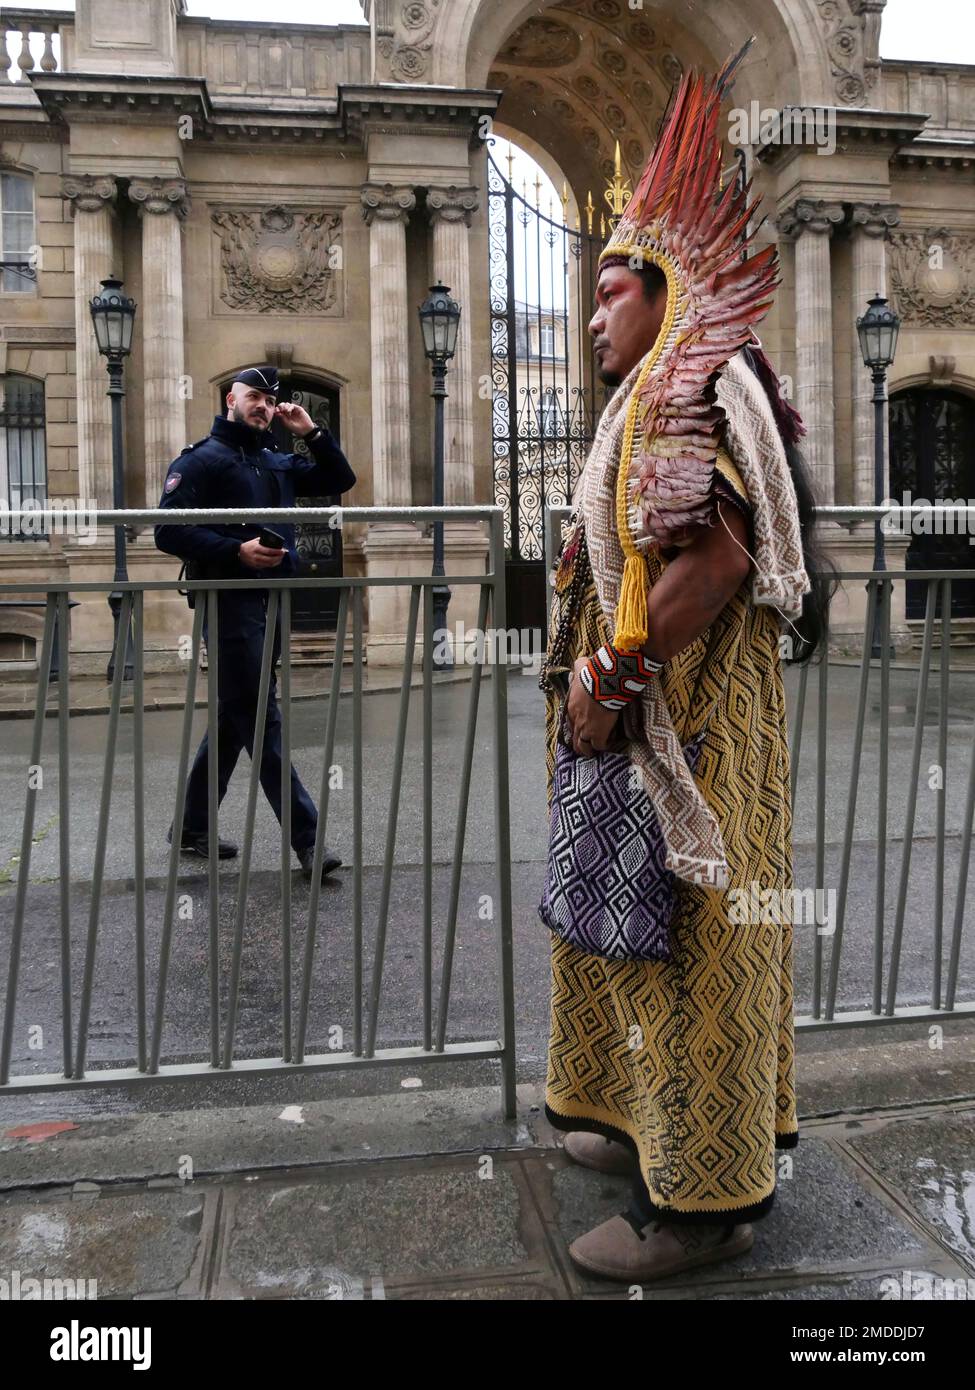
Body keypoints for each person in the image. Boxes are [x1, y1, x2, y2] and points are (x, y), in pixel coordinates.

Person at [538, 45, 833, 1282]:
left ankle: (704, 1211)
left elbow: (709, 566)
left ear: (664, 292)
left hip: (688, 729)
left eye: (614, 293)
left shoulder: (685, 393)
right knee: (656, 939)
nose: (596, 313)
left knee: (694, 949)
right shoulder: (686, 383)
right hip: (715, 725)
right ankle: (642, 1129)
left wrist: (603, 687)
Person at [155, 365, 356, 880]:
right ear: (230, 399)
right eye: (254, 397)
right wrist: (233, 550)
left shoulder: (277, 460)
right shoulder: (201, 460)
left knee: (234, 716)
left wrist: (310, 431)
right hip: (228, 601)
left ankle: (192, 826)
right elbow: (167, 531)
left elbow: (339, 479)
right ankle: (308, 839)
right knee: (261, 718)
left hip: (273, 600)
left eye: (270, 400)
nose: (264, 407)